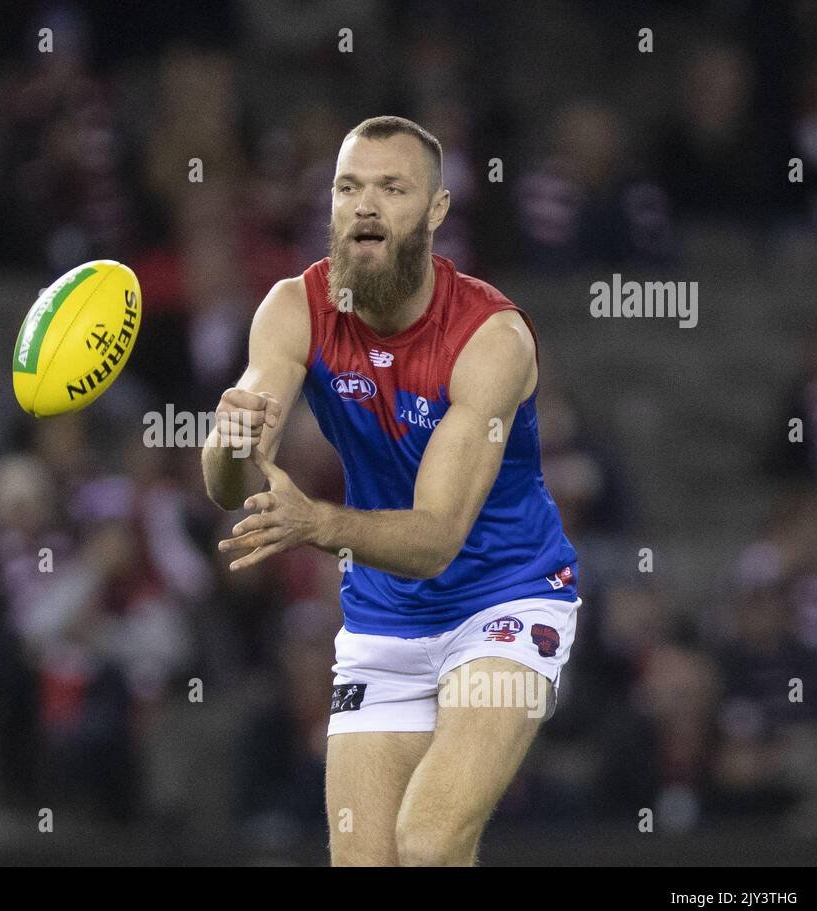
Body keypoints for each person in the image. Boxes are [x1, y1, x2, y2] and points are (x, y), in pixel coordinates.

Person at [201, 116, 580, 866]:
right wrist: (230, 444)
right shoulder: (293, 308)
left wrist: (315, 524)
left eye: (391, 188)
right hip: (384, 617)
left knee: (430, 843)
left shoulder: (489, 339)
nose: (364, 206)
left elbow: (437, 538)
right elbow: (230, 486)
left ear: (437, 211)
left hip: (505, 600)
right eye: (348, 188)